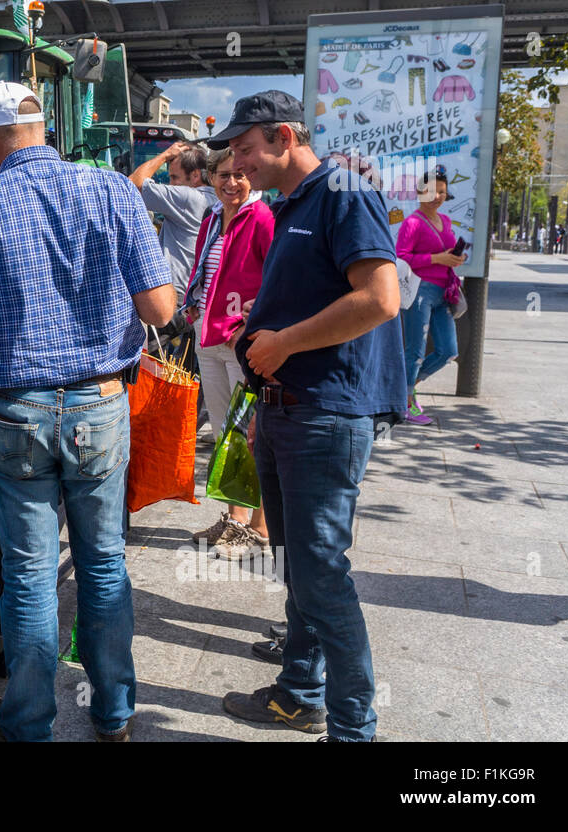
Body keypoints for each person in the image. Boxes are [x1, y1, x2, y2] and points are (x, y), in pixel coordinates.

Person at [0, 81, 176, 742]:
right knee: (103, 564)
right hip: (101, 402)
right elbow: (159, 310)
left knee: (32, 579)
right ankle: (115, 713)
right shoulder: (115, 190)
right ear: (41, 129)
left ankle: (31, 726)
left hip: (15, 413)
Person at [213, 90, 406, 742]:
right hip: (284, 410)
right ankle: (299, 694)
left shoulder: (343, 192)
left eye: (246, 149)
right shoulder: (293, 203)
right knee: (298, 567)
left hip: (324, 415)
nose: (238, 163)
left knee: (323, 578)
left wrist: (286, 340)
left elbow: (380, 299)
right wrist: (263, 327)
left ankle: (354, 729)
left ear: (284, 136)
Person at [184, 146, 275, 559]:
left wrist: (250, 326)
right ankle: (236, 518)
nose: (231, 182)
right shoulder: (211, 218)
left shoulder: (261, 219)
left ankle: (257, 525)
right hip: (208, 335)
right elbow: (205, 271)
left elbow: (276, 276)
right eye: (223, 174)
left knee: (248, 433)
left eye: (239, 174)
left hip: (239, 339)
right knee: (226, 432)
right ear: (210, 178)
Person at [395, 167, 462, 425]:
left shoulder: (445, 221)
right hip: (420, 292)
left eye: (442, 192)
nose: (437, 196)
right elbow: (402, 257)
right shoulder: (412, 223)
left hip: (444, 291)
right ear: (421, 192)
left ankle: (405, 387)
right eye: (432, 191)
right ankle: (406, 402)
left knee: (448, 351)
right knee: (415, 351)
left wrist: (455, 258)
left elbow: (446, 252)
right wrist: (437, 258)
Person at [129, 140, 213, 323]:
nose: (170, 184)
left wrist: (165, 155)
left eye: (175, 177)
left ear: (196, 175)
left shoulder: (189, 198)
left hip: (176, 299)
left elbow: (131, 186)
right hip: (196, 298)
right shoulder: (216, 199)